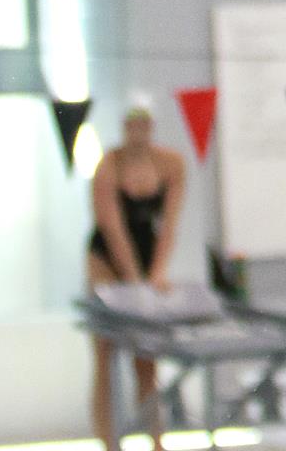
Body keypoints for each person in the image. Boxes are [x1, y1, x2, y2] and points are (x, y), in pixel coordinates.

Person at [86, 97, 187, 451]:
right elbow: (113, 230)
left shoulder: (171, 164)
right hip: (105, 261)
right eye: (132, 124)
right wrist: (134, 284)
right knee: (105, 355)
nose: (138, 132)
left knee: (147, 359)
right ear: (124, 127)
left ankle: (156, 442)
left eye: (143, 124)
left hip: (146, 256)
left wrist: (156, 274)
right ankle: (109, 443)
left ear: (151, 126)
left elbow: (169, 226)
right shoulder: (108, 167)